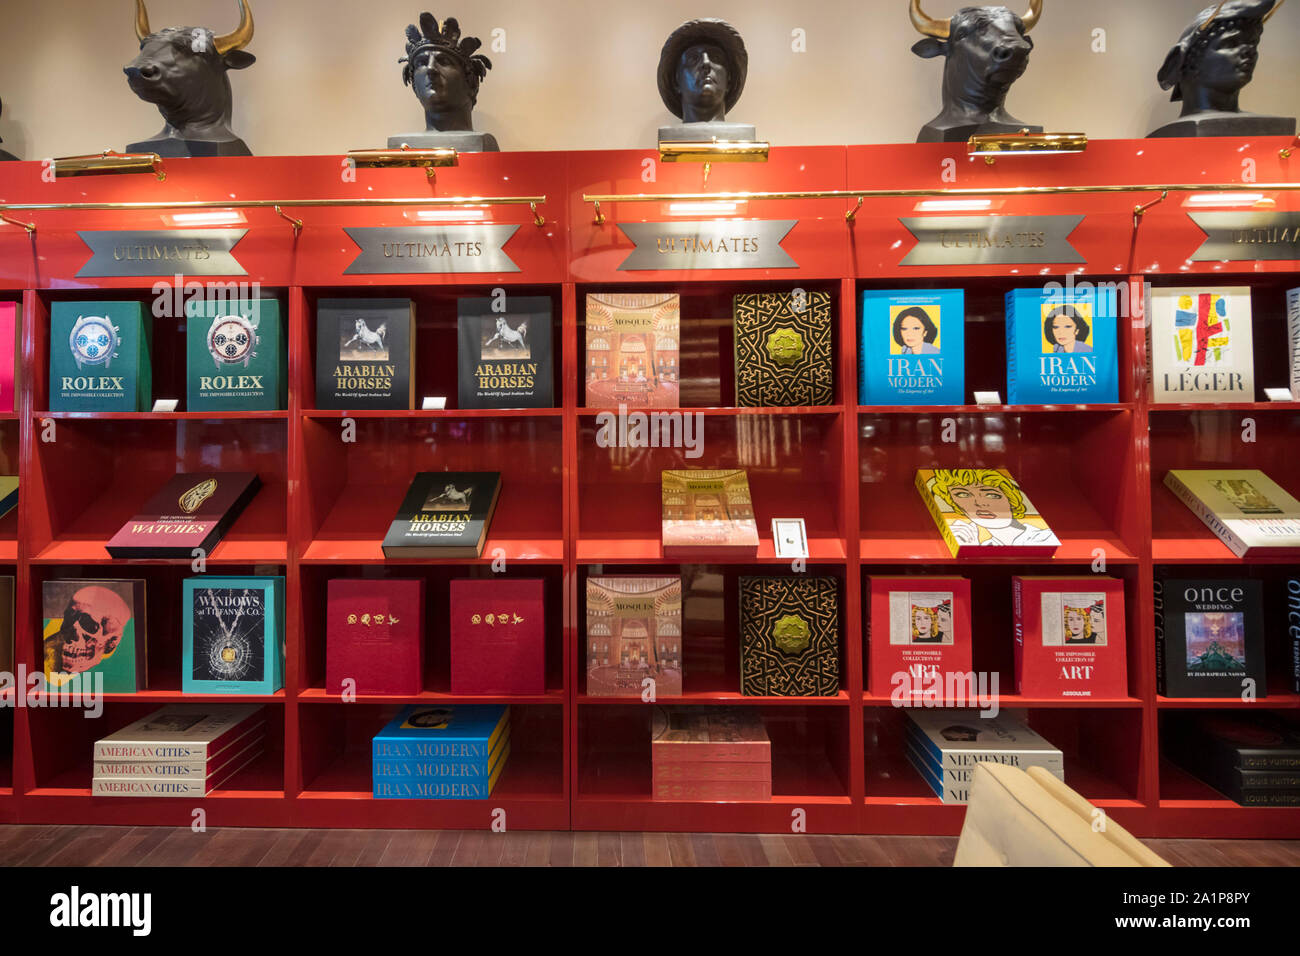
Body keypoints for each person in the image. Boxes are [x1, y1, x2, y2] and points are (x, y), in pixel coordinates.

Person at [398, 13, 498, 150]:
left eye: (444, 61)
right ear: (414, 86)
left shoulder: (482, 142)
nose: (430, 69)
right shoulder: (403, 145)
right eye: (421, 63)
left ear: (472, 83)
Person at [928, 468, 1058, 548]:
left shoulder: (1042, 538)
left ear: (1010, 499)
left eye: (991, 494)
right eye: (963, 494)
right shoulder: (985, 544)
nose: (979, 503)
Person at [657, 19, 748, 125]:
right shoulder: (669, 136)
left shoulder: (742, 135)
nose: (706, 63)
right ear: (676, 82)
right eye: (693, 59)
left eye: (716, 58)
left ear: (729, 80)